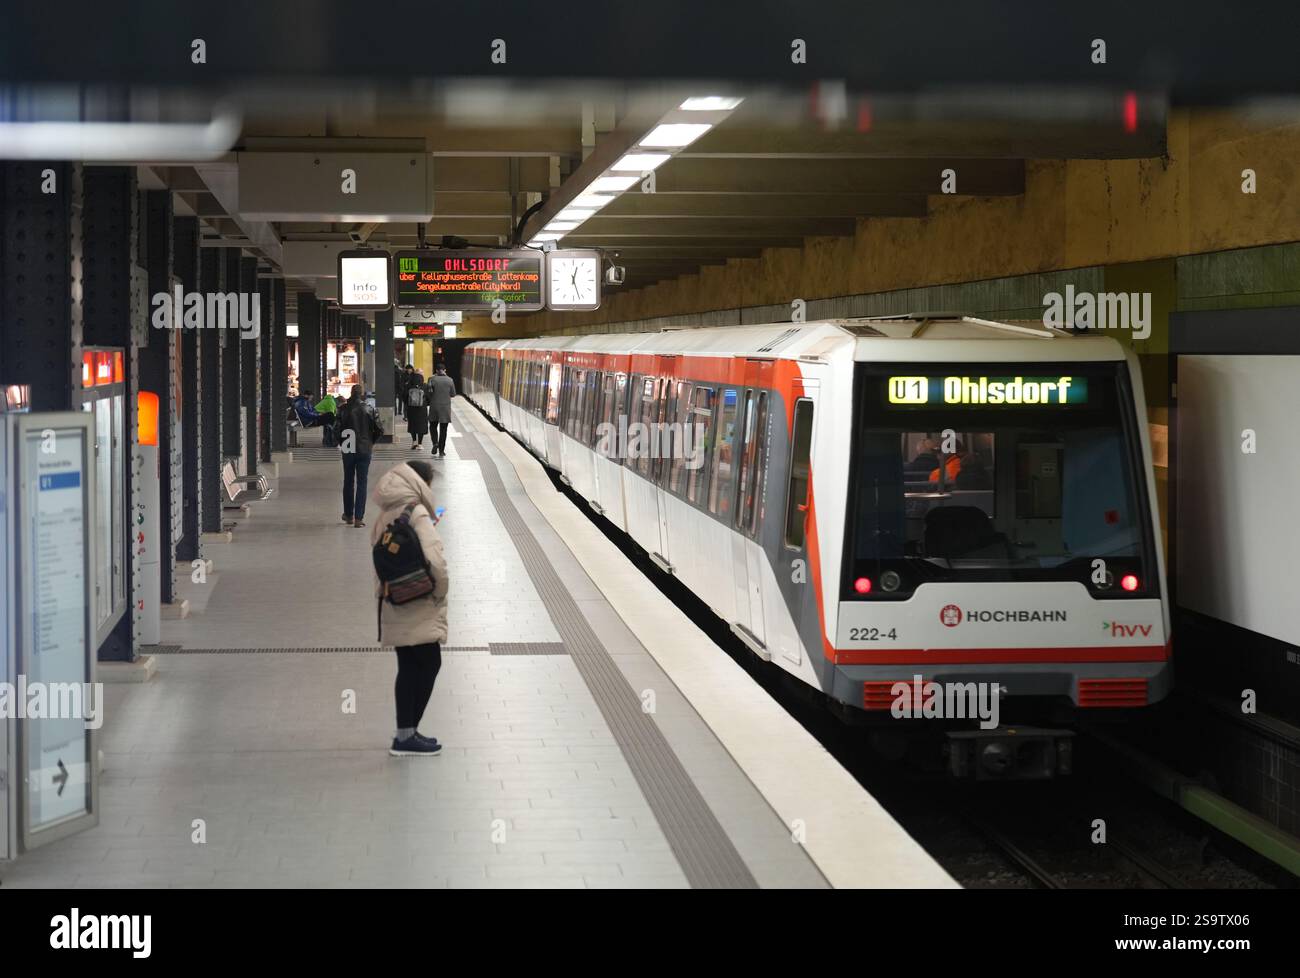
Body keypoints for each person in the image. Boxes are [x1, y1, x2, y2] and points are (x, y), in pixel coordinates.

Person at [370, 459, 448, 756]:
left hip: (393, 596)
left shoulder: (388, 511)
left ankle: (406, 734)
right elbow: (436, 562)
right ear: (421, 484)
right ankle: (407, 735)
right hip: (419, 600)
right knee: (429, 664)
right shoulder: (416, 512)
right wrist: (440, 593)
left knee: (408, 667)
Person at [335, 384, 381, 527]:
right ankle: (359, 518)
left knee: (348, 481)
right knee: (362, 482)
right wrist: (371, 442)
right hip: (364, 448)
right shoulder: (369, 409)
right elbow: (379, 429)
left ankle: (348, 515)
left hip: (348, 448)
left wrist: (342, 443)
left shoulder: (342, 409)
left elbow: (336, 430)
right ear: (362, 394)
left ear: (351, 393)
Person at [427, 363, 456, 458]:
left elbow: (428, 393)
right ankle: (441, 451)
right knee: (443, 430)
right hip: (445, 408)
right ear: (445, 370)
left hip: (434, 407)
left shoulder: (431, 379)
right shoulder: (450, 380)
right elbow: (453, 394)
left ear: (436, 371)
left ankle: (435, 443)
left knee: (432, 426)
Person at [406, 370, 428, 447]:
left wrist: (408, 404)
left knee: (412, 424)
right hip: (422, 409)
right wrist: (425, 403)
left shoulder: (409, 386)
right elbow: (429, 397)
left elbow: (404, 396)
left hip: (411, 409)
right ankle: (420, 444)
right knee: (421, 425)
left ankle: (414, 441)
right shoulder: (425, 386)